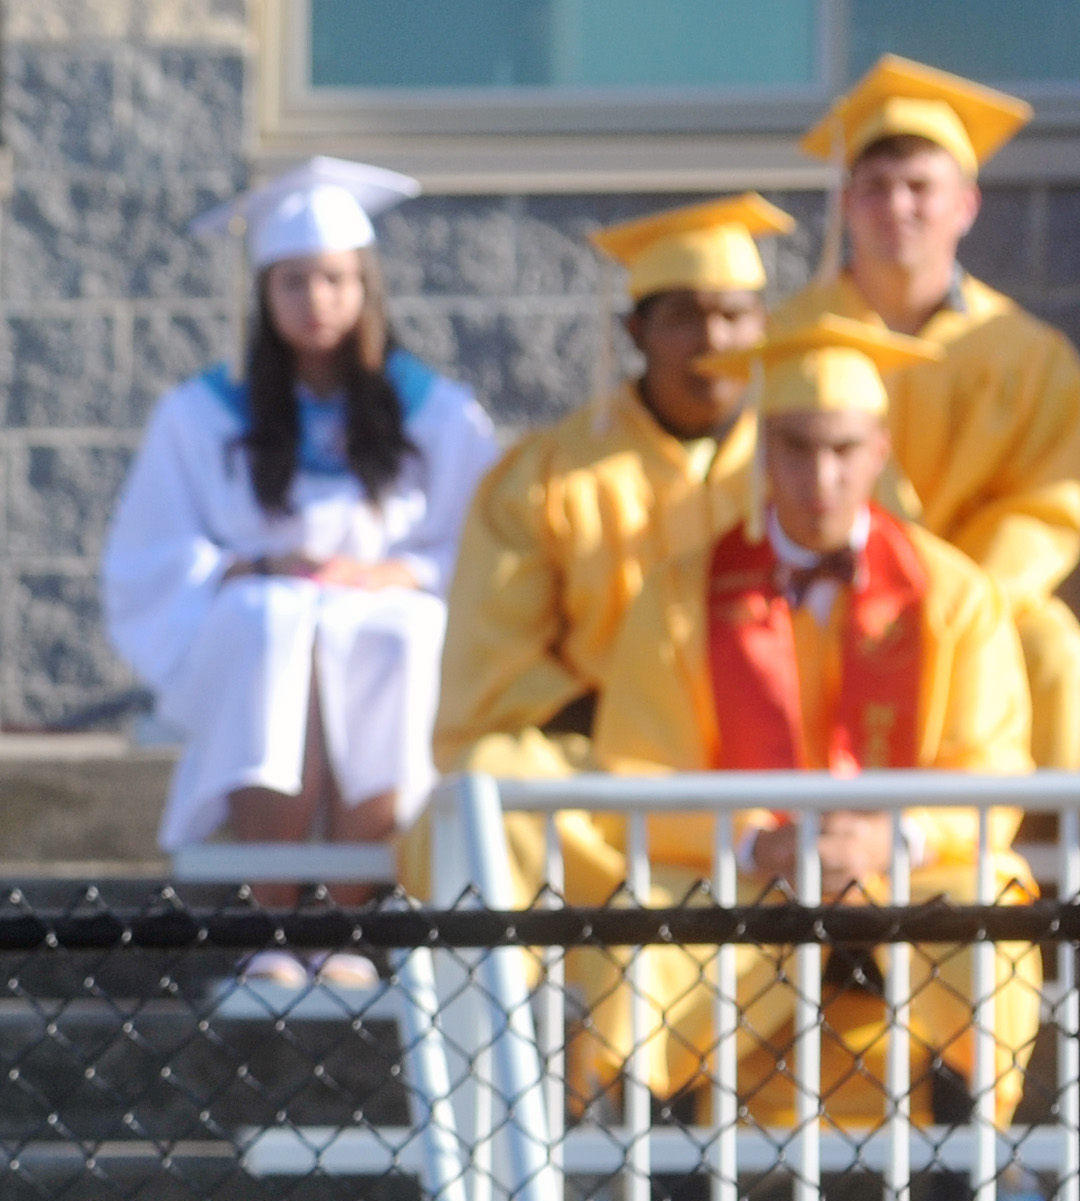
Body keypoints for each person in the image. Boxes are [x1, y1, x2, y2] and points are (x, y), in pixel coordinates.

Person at [587, 315, 1036, 1135]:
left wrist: (887, 841)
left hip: (911, 870)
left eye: (843, 448)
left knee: (989, 913)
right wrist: (762, 842)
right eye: (795, 446)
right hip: (742, 871)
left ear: (880, 450)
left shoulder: (958, 596)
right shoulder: (681, 594)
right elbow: (637, 772)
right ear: (763, 448)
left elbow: (989, 762)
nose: (819, 475)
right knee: (640, 940)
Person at [103, 158, 498, 989]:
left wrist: (396, 573)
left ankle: (343, 922)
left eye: (334, 279)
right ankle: (274, 918)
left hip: (382, 605)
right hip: (263, 612)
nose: (316, 301)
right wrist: (257, 564)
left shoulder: (436, 411)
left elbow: (480, 545)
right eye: (293, 282)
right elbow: (155, 554)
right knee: (269, 624)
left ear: (366, 288)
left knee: (402, 631)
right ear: (263, 294)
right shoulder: (203, 412)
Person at [431, 196, 786, 905]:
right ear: (636, 332)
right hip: (605, 753)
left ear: (762, 326)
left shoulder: (809, 463)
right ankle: (605, 954)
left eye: (732, 315)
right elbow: (495, 660)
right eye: (683, 316)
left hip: (775, 751)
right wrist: (640, 728)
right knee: (491, 779)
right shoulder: (548, 475)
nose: (712, 338)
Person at [774, 56, 1080, 770]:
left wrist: (960, 598)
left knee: (1053, 647)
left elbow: (1051, 500)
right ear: (847, 202)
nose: (898, 206)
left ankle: (1050, 874)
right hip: (820, 587)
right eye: (875, 187)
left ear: (966, 205)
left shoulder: (1028, 355)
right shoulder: (788, 337)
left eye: (920, 187)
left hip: (979, 593)